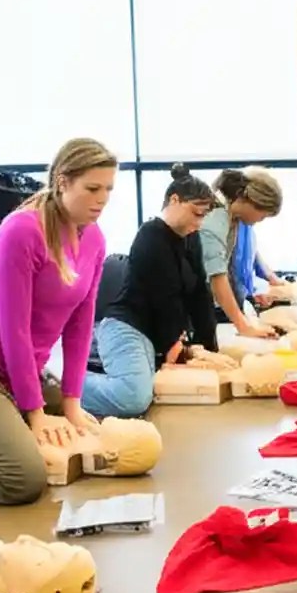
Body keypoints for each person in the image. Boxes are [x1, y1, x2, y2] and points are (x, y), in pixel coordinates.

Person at [0, 138, 114, 505]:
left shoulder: (95, 239)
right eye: (93, 189)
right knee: (22, 479)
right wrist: (35, 414)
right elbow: (13, 328)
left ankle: (2, 423)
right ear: (63, 182)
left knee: (88, 433)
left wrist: (71, 404)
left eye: (109, 189)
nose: (102, 199)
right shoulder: (21, 230)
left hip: (24, 371)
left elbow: (81, 326)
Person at [81, 164, 219, 418]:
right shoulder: (151, 236)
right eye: (196, 214)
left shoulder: (191, 237)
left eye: (203, 216)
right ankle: (59, 386)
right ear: (175, 200)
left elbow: (200, 292)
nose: (199, 223)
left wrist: (209, 346)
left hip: (157, 332)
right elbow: (163, 298)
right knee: (132, 398)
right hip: (128, 326)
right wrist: (173, 343)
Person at [200, 167, 283, 338]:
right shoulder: (215, 221)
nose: (260, 220)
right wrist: (244, 327)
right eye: (263, 215)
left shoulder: (233, 219)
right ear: (251, 202)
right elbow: (217, 278)